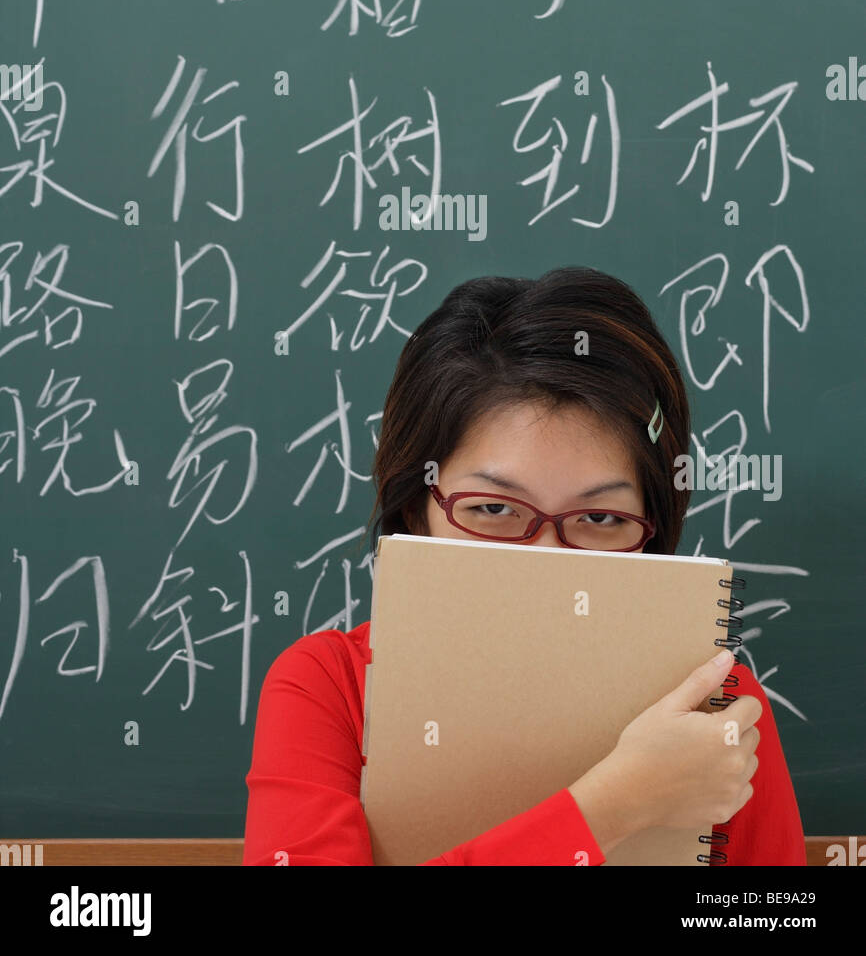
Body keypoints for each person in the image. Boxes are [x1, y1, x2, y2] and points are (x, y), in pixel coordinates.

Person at [243, 267, 806, 866]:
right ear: (416, 506)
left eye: (601, 519)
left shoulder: (719, 713)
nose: (548, 560)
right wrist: (617, 805)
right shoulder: (327, 686)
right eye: (493, 508)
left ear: (651, 531)